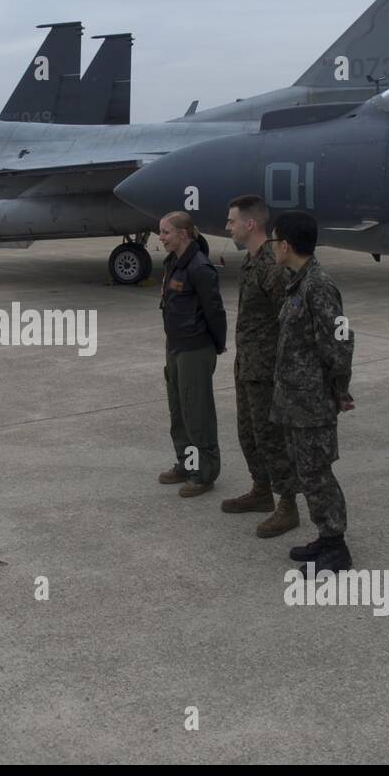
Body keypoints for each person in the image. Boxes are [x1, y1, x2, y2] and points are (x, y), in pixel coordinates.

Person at [269, 210, 356, 573]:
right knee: (307, 472)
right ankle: (325, 536)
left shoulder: (317, 285)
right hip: (295, 402)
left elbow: (340, 341)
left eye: (275, 241)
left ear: (286, 245)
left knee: (318, 473)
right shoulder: (299, 282)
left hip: (312, 403)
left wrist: (338, 390)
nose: (273, 248)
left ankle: (337, 548)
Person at [219, 196, 303, 536]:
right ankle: (261, 490)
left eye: (231, 221)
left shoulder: (271, 264)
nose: (228, 227)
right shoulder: (252, 261)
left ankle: (288, 506)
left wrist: (284, 369)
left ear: (249, 224)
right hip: (248, 367)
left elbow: (290, 318)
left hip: (267, 371)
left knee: (272, 438)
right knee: (249, 433)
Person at [156, 211, 227, 497]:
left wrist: (217, 344)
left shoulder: (199, 267)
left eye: (165, 232)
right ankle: (187, 463)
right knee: (178, 409)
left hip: (195, 348)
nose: (160, 237)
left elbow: (215, 311)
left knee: (197, 412)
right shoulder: (173, 262)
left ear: (182, 234)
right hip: (174, 346)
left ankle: (205, 473)